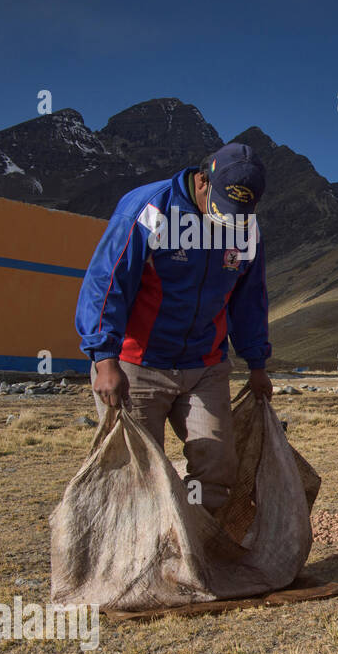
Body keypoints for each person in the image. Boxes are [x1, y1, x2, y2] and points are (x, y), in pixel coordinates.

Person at [75, 142, 273, 513]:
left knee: (216, 467)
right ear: (202, 181)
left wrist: (257, 363)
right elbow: (107, 283)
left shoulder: (247, 229)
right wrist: (104, 359)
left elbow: (250, 300)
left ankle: (201, 555)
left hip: (204, 366)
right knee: (136, 475)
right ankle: (139, 565)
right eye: (221, 211)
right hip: (138, 364)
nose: (227, 222)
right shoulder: (148, 210)